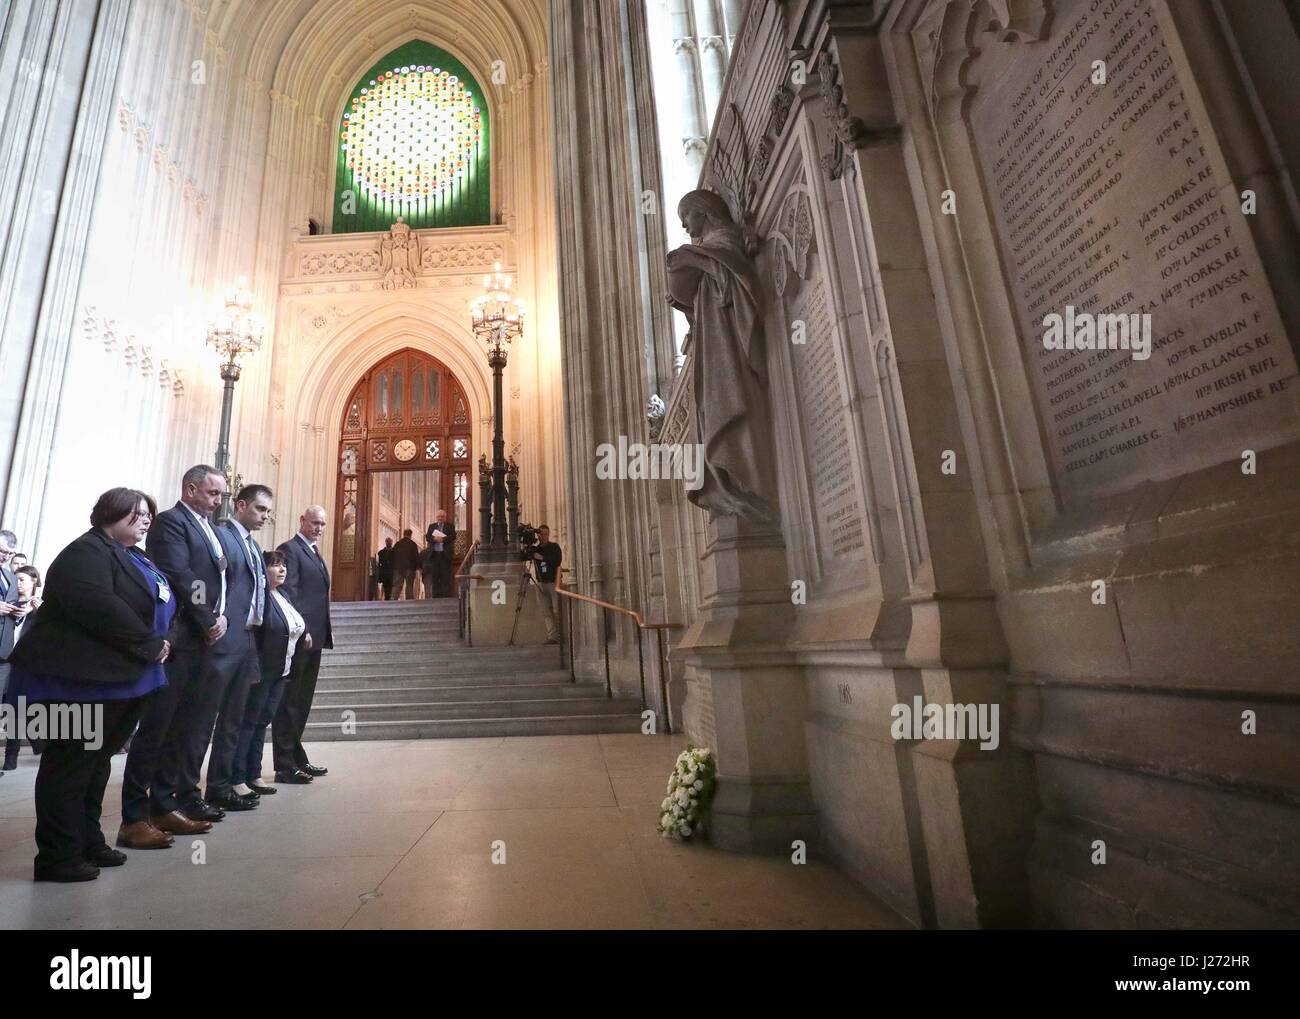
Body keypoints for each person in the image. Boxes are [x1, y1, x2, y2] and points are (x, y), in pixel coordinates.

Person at [4, 488, 174, 881]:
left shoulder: (135, 556)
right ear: (110, 513)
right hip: (69, 680)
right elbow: (96, 603)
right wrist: (147, 642)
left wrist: (164, 641)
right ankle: (57, 857)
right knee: (68, 766)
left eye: (150, 514)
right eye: (138, 513)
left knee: (95, 764)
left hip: (114, 679)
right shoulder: (85, 551)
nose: (147, 520)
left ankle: (88, 840)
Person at [119, 465, 228, 847]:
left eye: (221, 495)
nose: (219, 502)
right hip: (180, 638)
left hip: (200, 641)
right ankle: (133, 815)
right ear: (192, 489)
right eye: (214, 493)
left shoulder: (210, 527)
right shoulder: (171, 522)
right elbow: (180, 574)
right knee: (156, 729)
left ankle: (165, 804)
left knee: (183, 728)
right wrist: (207, 616)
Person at [203, 485, 272, 812]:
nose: (264, 516)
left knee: (235, 716)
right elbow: (214, 583)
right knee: (206, 719)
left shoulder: (252, 544)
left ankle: (223, 784)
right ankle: (192, 791)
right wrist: (218, 618)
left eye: (268, 511)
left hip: (247, 639)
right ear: (241, 505)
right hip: (226, 637)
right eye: (260, 509)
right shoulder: (223, 535)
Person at [231, 549, 309, 798]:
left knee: (262, 721)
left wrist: (303, 634)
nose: (282, 569)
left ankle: (254, 773)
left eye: (283, 564)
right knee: (250, 722)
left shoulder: (282, 594)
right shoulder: (260, 596)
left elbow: (291, 623)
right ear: (262, 570)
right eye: (275, 565)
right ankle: (237, 776)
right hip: (262, 670)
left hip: (281, 670)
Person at [271, 505, 333, 784]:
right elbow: (288, 593)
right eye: (315, 522)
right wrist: (304, 628)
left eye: (322, 524)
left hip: (314, 639)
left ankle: (297, 758)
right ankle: (284, 765)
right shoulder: (290, 549)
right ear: (302, 520)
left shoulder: (314, 551)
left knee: (302, 702)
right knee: (290, 702)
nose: (319, 528)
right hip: (300, 638)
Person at [2, 564, 42, 770]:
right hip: (4, 661)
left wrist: (40, 611)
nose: (18, 584)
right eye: (15, 580)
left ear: (34, 581)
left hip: (25, 666)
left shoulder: (40, 608)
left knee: (16, 711)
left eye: (22, 580)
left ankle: (11, 756)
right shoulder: (7, 605)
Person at [529, 525, 563, 644]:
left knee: (557, 610)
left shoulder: (554, 547)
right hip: (541, 583)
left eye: (545, 534)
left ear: (548, 535)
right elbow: (522, 557)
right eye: (540, 534)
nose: (542, 536)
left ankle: (562, 635)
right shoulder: (535, 549)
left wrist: (542, 557)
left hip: (553, 582)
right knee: (546, 612)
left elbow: (557, 561)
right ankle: (552, 637)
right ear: (537, 535)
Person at [425, 509, 456, 597]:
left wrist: (443, 539)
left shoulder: (450, 526)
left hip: (445, 554)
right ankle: (435, 596)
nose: (440, 518)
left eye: (442, 517)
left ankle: (446, 595)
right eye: (439, 516)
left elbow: (453, 536)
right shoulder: (432, 526)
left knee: (445, 576)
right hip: (434, 554)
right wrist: (434, 539)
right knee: (435, 576)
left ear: (445, 518)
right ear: (436, 517)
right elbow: (427, 537)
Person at [391, 528, 420, 600]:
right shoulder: (413, 544)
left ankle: (393, 599)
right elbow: (416, 557)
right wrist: (417, 567)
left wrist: (394, 566)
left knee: (397, 584)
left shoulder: (398, 544)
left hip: (398, 568)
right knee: (409, 585)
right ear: (411, 535)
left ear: (403, 534)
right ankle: (409, 600)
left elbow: (392, 555)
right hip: (410, 568)